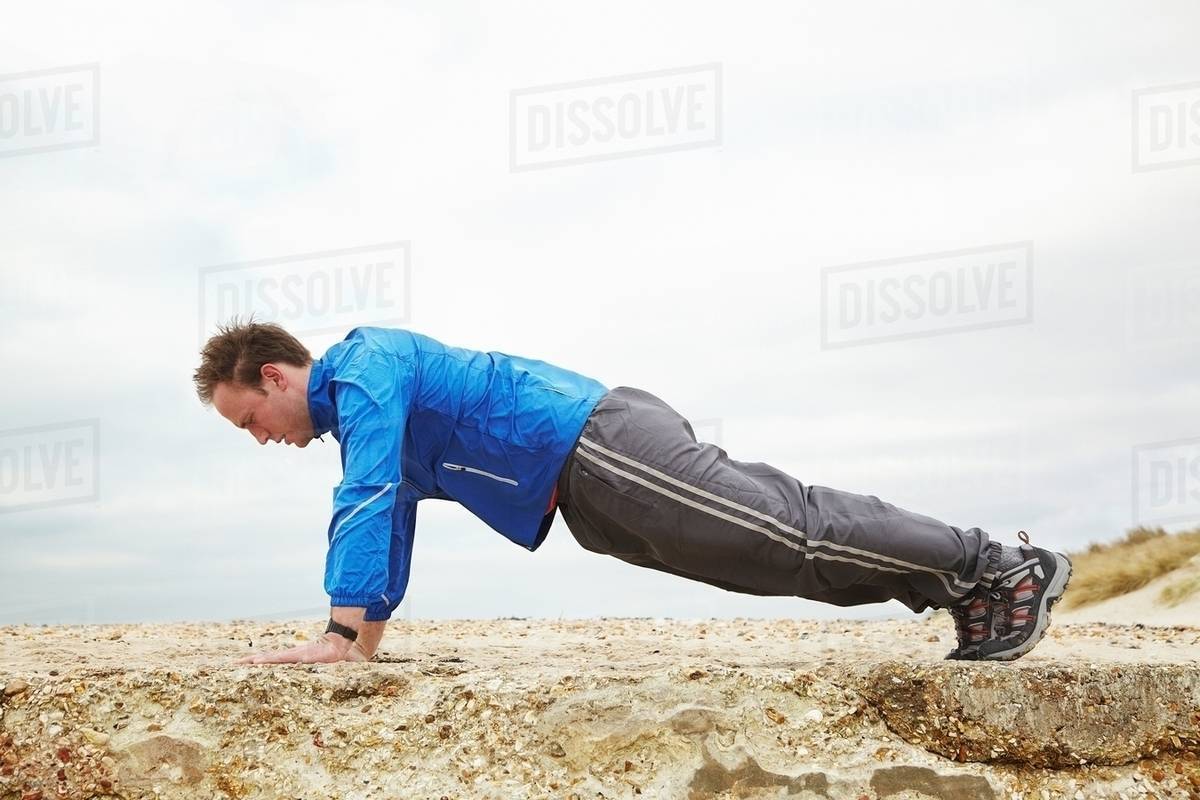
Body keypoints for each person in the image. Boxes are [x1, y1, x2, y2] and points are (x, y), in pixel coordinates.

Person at [193, 320, 1072, 665]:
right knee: (765, 566)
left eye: (250, 420)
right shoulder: (360, 420)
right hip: (584, 497)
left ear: (275, 374)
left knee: (786, 531)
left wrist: (338, 629)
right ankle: (962, 587)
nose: (262, 440)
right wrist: (358, 642)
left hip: (600, 445)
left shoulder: (365, 366)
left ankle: (997, 563)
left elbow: (369, 492)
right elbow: (391, 524)